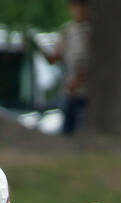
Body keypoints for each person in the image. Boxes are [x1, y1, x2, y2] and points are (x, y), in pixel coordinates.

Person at [37, 0, 90, 135]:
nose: (78, 10)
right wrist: (39, 49)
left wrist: (78, 81)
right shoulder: (67, 31)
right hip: (70, 92)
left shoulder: (91, 31)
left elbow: (93, 63)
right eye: (74, 6)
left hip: (87, 91)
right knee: (68, 130)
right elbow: (54, 58)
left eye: (81, 6)